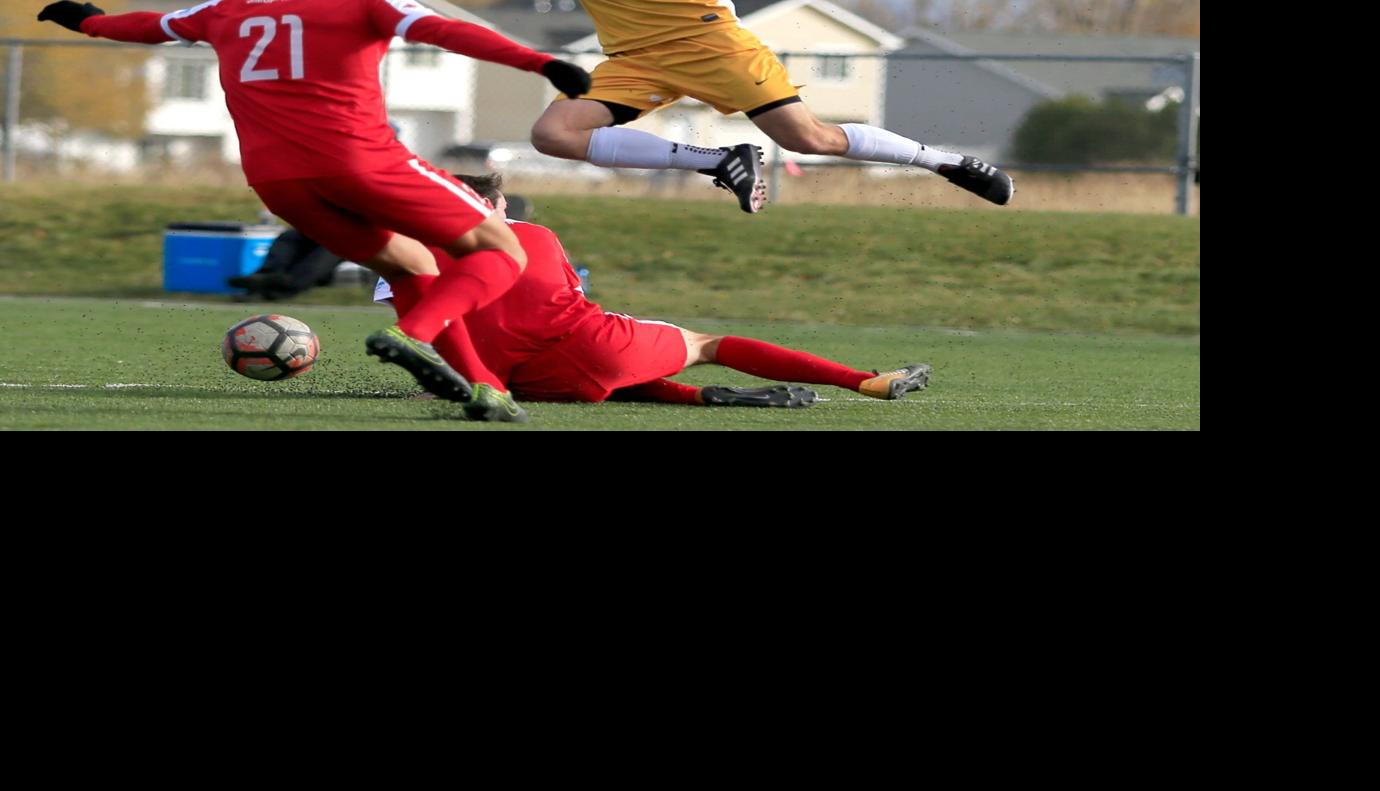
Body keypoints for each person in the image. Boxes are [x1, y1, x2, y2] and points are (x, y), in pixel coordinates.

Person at [37, 0, 596, 421]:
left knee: (409, 265)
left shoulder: (226, 11)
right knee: (502, 249)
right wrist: (541, 62)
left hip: (277, 180)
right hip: (362, 161)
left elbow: (149, 28)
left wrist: (88, 21)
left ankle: (483, 388)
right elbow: (444, 30)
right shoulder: (360, 4)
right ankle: (413, 333)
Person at [375, 174, 931, 419]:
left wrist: (456, 384)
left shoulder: (405, 252)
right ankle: (865, 380)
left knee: (572, 373)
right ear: (496, 207)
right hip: (590, 350)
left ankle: (694, 399)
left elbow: (424, 326)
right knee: (706, 341)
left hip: (513, 381)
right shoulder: (534, 234)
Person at [528, 0, 1015, 214]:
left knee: (808, 138)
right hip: (634, 59)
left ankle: (946, 161)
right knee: (554, 134)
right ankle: (721, 160)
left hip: (710, 43)